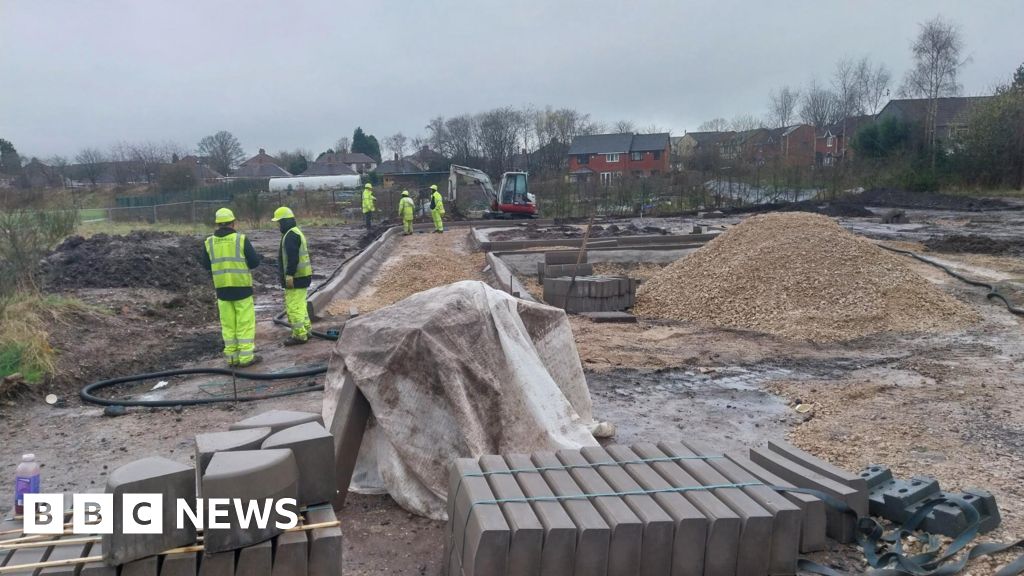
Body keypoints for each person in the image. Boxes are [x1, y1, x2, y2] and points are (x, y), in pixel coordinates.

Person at [201, 207, 261, 367]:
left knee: (228, 325)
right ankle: (246, 357)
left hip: (222, 290)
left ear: (218, 224)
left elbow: (206, 265)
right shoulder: (240, 239)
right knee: (245, 323)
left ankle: (232, 357)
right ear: (233, 223)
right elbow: (254, 262)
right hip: (241, 288)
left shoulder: (209, 242)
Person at [271, 206, 313, 345]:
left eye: (279, 222)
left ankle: (299, 335)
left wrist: (289, 275)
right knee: (300, 305)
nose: (278, 226)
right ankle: (306, 330)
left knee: (294, 306)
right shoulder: (295, 232)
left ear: (284, 221)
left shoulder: (290, 235)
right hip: (302, 276)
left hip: (296, 278)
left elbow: (292, 258)